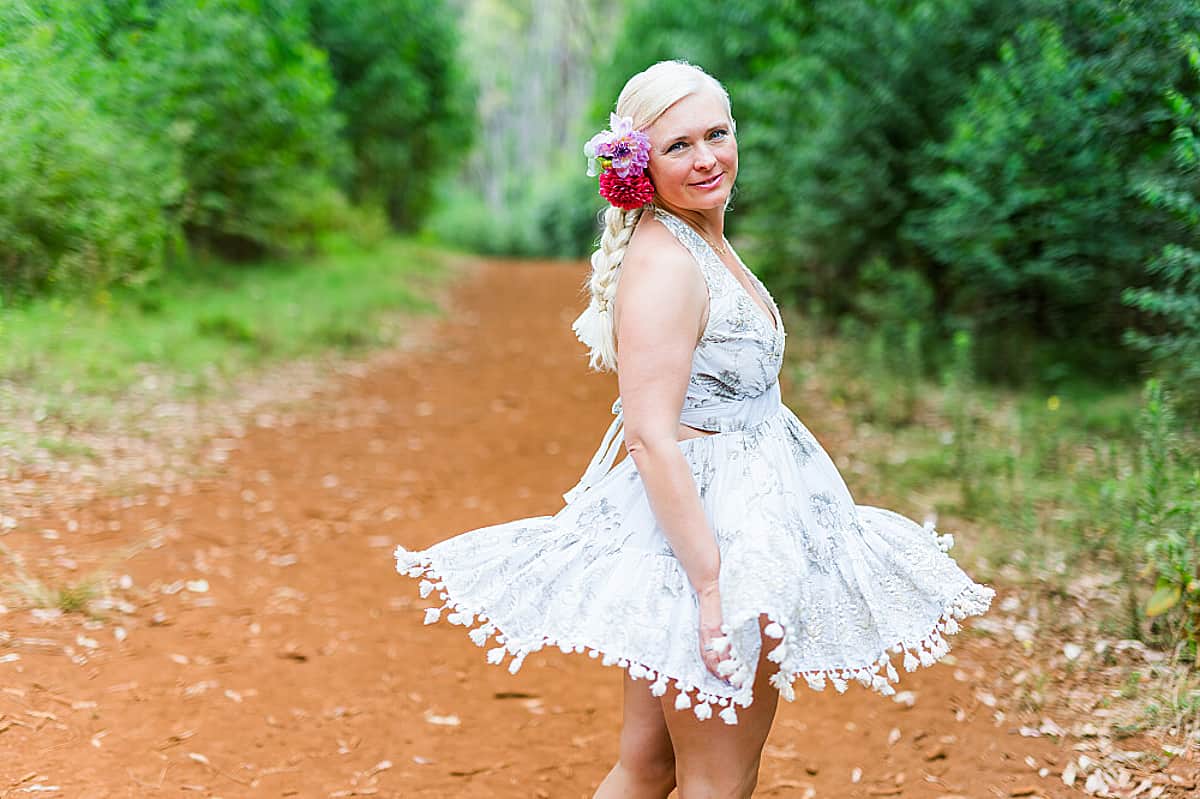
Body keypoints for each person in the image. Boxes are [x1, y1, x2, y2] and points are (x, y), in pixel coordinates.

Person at [395, 60, 995, 799]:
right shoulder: (667, 263)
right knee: (720, 776)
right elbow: (648, 433)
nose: (708, 156)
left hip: (735, 513)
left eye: (718, 133)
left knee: (649, 765)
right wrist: (712, 582)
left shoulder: (698, 239)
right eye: (679, 145)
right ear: (640, 165)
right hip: (710, 534)